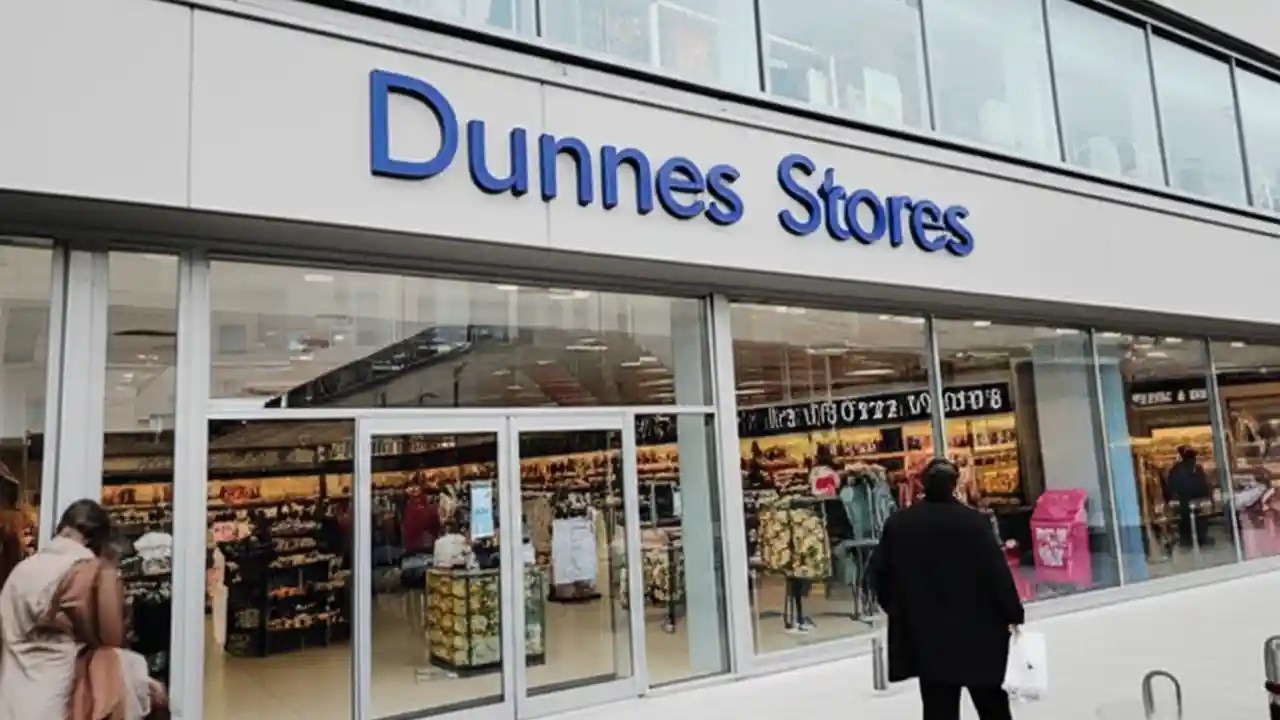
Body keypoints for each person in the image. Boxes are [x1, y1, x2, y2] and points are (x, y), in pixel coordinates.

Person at [870, 458, 1024, 720]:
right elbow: (997, 574)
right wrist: (1013, 613)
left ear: (922, 484)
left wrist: (901, 608)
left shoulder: (900, 524)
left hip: (927, 633)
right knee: (991, 703)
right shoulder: (975, 523)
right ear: (955, 485)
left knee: (938, 707)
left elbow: (878, 575)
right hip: (979, 630)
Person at [0, 499, 166, 720]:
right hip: (58, 701)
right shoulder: (85, 571)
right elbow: (110, 639)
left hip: (12, 699)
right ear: (97, 539)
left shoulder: (23, 570)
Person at [1165, 446, 1212, 548]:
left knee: (1187, 522)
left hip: (1184, 502)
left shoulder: (1176, 469)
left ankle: (1188, 540)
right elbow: (1204, 484)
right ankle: (1200, 539)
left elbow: (1171, 487)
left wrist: (1172, 499)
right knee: (1198, 520)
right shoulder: (1196, 468)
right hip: (1194, 501)